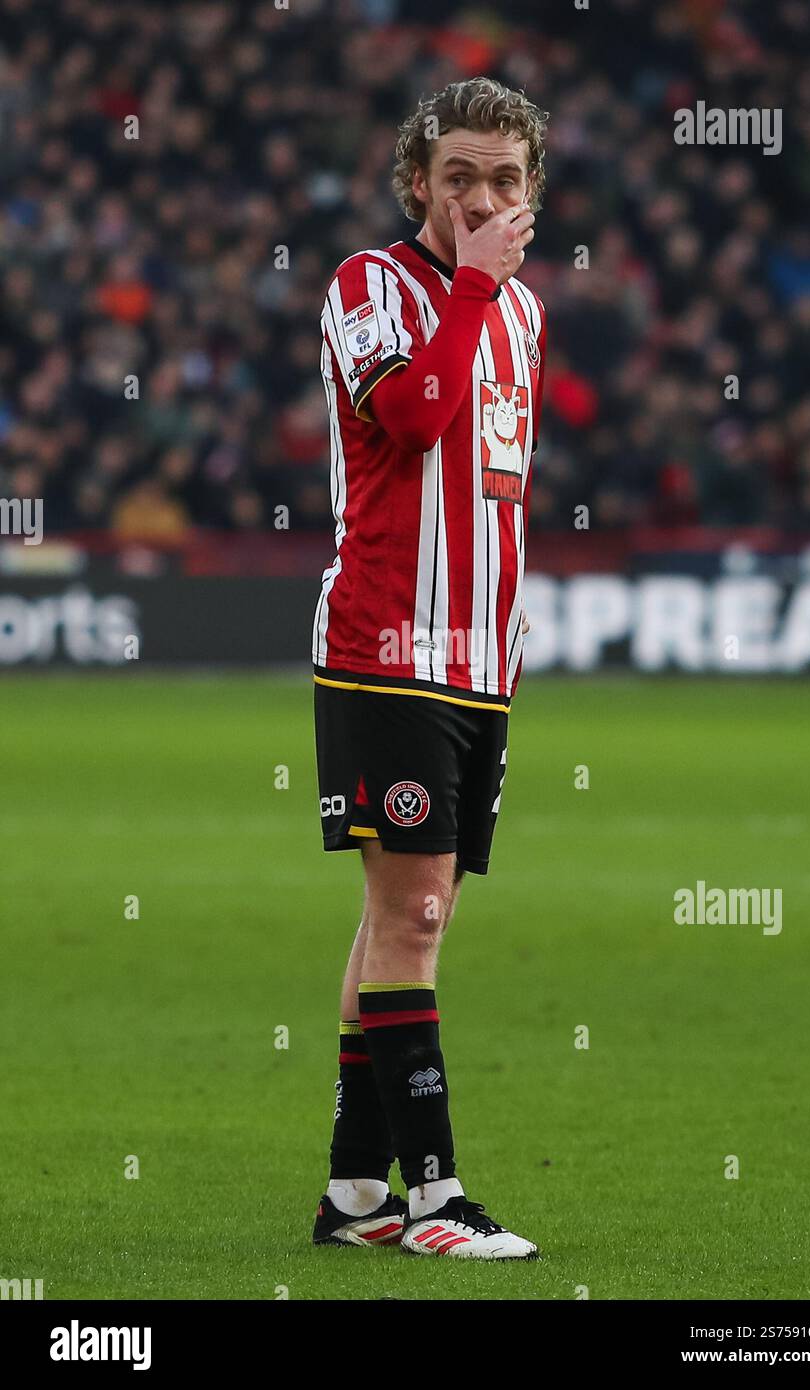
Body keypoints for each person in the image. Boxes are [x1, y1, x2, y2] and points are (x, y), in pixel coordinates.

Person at [311, 76, 548, 1258]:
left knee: (403, 912)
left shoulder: (525, 315)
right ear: (418, 182)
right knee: (411, 912)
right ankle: (436, 1198)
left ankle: (356, 1195)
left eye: (503, 179)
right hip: (386, 647)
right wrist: (465, 282)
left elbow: (494, 489)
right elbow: (409, 417)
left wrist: (508, 638)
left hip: (476, 662)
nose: (479, 197)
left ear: (531, 194)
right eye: (456, 175)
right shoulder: (372, 286)